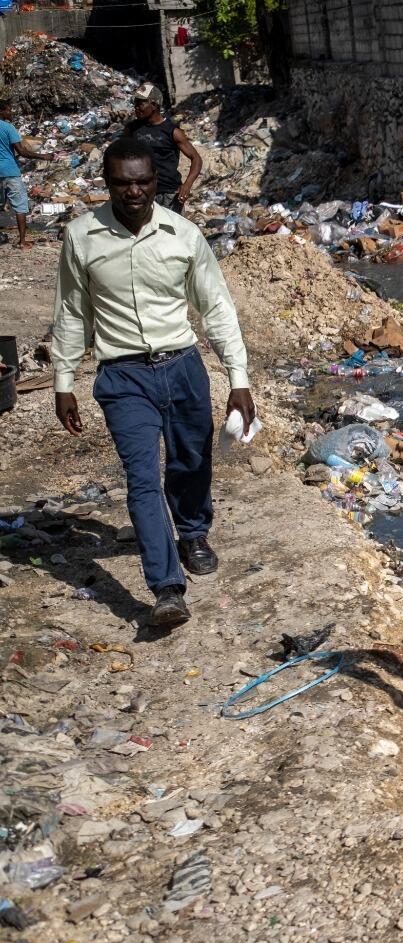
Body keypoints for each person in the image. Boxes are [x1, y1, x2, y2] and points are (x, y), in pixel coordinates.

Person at [51, 138, 255, 628]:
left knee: (191, 459)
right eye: (123, 183)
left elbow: (216, 306)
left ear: (156, 181)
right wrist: (63, 379)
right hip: (123, 375)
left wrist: (238, 377)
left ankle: (193, 532)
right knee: (142, 479)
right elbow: (72, 310)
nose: (134, 191)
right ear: (108, 183)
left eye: (143, 181)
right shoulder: (81, 237)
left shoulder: (183, 235)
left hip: (182, 366)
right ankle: (166, 588)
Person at [125, 83, 202, 212]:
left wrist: (187, 185)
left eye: (140, 103)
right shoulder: (132, 129)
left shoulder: (172, 132)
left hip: (169, 195)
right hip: (141, 193)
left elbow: (196, 159)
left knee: (173, 225)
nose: (136, 107)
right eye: (135, 103)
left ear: (154, 105)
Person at [1, 97, 56, 250]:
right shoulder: (8, 128)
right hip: (10, 172)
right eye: (8, 110)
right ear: (1, 111)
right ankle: (22, 241)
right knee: (20, 206)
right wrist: (44, 156)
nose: (11, 112)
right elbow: (22, 151)